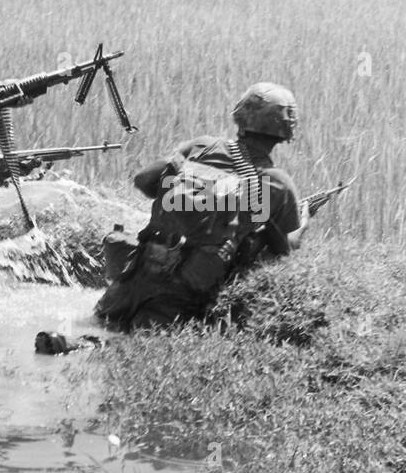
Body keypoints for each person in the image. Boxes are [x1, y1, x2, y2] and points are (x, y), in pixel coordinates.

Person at [94, 82, 306, 332]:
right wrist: (304, 218)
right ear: (286, 128)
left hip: (127, 283)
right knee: (134, 347)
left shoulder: (202, 146)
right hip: (178, 297)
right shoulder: (275, 181)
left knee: (98, 333)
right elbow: (285, 248)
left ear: (241, 115)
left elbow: (143, 181)